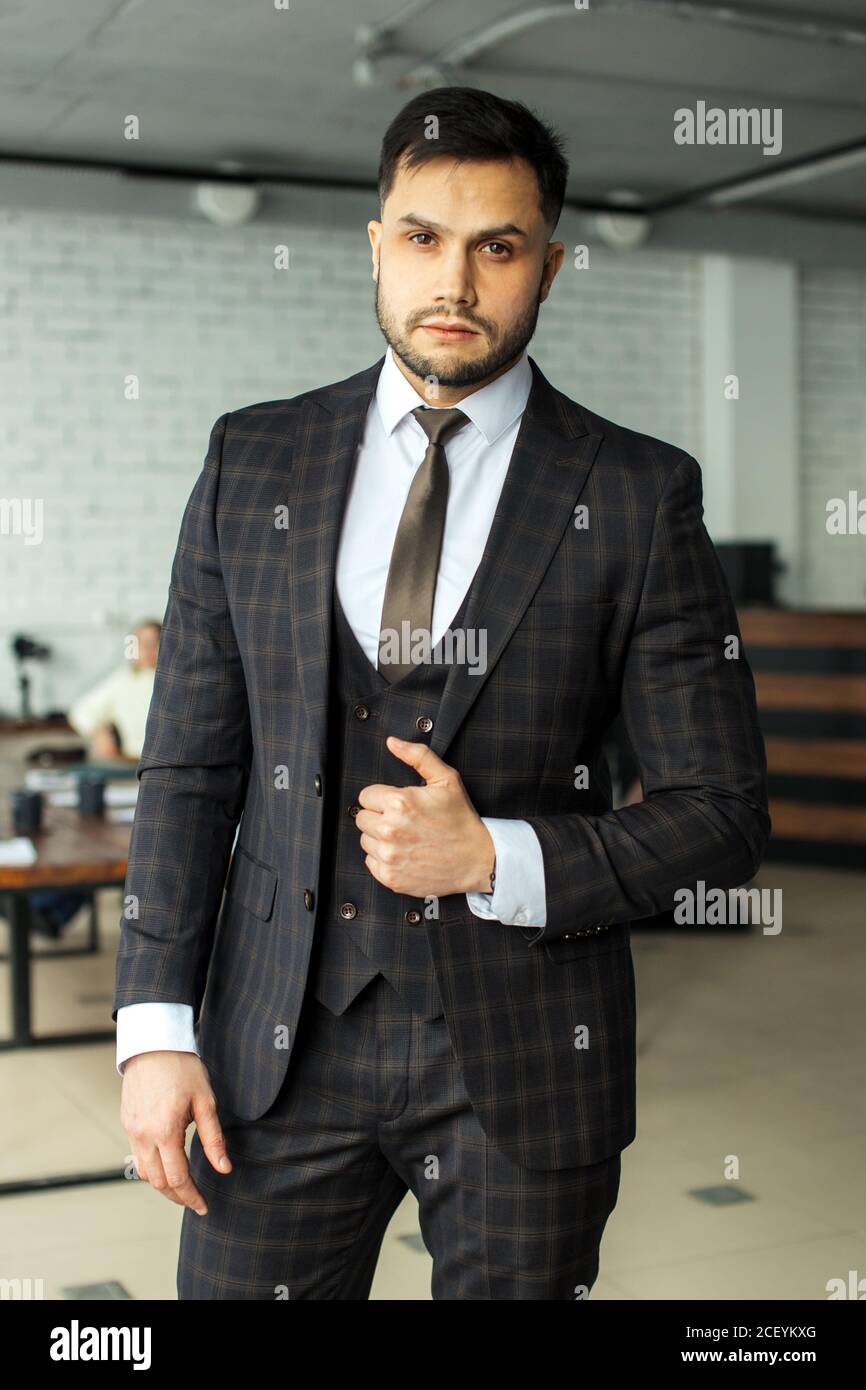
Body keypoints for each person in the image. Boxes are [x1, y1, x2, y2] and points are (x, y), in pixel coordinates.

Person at [113, 87, 770, 1300]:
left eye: (497, 247)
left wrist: (494, 859)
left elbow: (721, 814)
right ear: (376, 243)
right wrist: (156, 1023)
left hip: (524, 1061)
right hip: (274, 1045)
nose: (454, 282)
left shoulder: (634, 494)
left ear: (549, 265)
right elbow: (189, 766)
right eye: (422, 237)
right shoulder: (250, 458)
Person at [28, 620, 161, 939]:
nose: (147, 650)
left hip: (158, 775)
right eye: (140, 642)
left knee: (105, 835)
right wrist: (100, 731)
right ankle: (40, 903)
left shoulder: (176, 680)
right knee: (72, 808)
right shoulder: (124, 681)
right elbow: (81, 712)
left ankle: (48, 908)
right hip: (127, 768)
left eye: (154, 642)